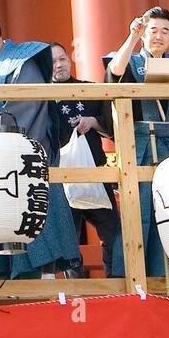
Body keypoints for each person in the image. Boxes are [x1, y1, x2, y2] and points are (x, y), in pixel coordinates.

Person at [0, 11, 80, 278]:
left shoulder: (24, 60)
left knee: (32, 213)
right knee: (2, 218)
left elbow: (27, 102)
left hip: (26, 156)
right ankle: (4, 274)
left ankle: (44, 276)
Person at [105, 6, 169, 277]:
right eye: (153, 31)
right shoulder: (132, 59)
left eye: (165, 31)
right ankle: (134, 277)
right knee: (140, 210)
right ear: (143, 34)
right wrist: (131, 36)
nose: (159, 36)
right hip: (139, 144)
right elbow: (114, 73)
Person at [49, 42, 119, 277]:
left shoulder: (89, 90)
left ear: (70, 60)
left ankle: (116, 282)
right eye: (53, 61)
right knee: (69, 238)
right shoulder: (41, 95)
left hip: (96, 172)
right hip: (62, 176)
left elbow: (111, 128)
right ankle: (77, 290)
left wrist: (92, 121)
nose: (59, 65)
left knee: (113, 233)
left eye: (62, 59)